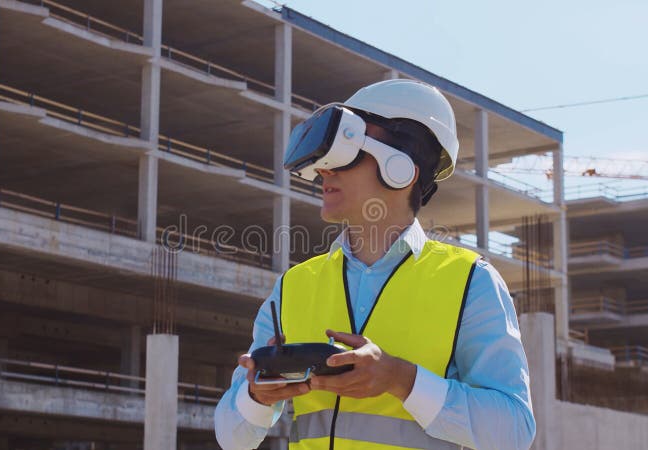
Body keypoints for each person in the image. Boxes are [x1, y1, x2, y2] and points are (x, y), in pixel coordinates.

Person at [214, 79, 535, 450]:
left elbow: (514, 432)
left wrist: (402, 380)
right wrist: (257, 398)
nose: (324, 171)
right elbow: (231, 438)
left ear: (400, 168)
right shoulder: (293, 286)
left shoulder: (471, 281)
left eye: (345, 151)